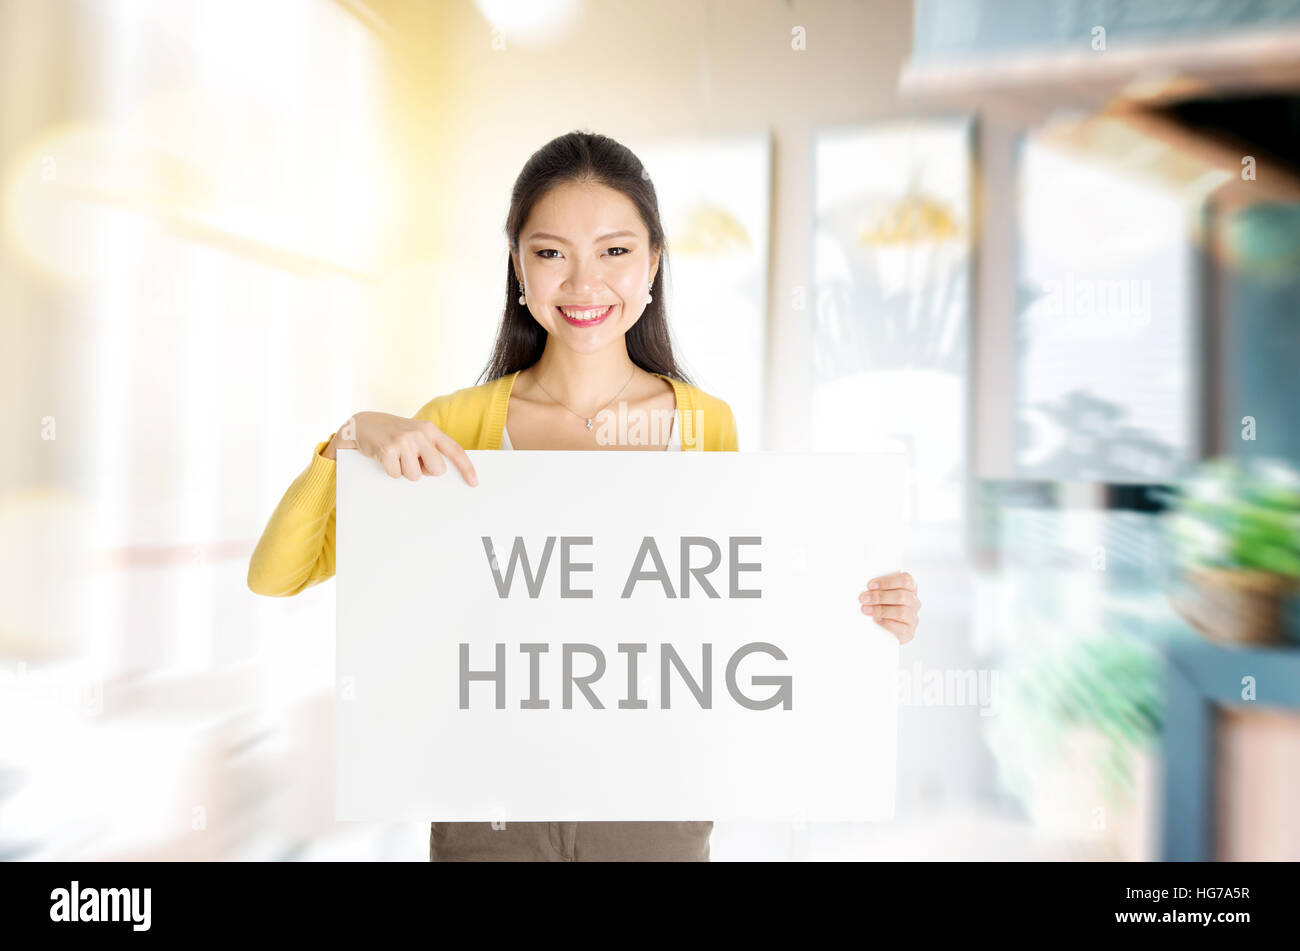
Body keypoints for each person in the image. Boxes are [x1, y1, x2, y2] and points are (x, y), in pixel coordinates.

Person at [247, 130, 921, 861]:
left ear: (654, 263)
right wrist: (350, 437)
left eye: (615, 250)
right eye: (550, 252)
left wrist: (860, 609)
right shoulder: (452, 427)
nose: (583, 282)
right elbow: (277, 573)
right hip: (484, 808)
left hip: (653, 808)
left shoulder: (705, 425)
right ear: (518, 268)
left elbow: (733, 611)